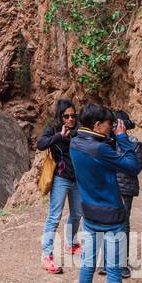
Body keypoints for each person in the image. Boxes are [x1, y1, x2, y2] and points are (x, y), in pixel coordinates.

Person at [69, 103, 142, 283]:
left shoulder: (75, 142)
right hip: (112, 216)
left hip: (89, 215)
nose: (112, 127)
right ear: (98, 125)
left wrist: (110, 138)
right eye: (109, 124)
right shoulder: (101, 149)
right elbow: (133, 167)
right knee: (113, 272)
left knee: (87, 267)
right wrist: (123, 139)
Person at [35, 99, 81, 273]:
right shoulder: (54, 130)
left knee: (77, 213)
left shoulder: (78, 129)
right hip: (61, 178)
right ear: (60, 117)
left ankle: (71, 244)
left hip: (77, 179)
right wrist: (59, 137)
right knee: (54, 216)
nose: (70, 119)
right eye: (66, 116)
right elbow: (40, 144)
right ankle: (46, 256)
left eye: (73, 116)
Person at [99, 109, 142, 279]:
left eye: (117, 125)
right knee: (107, 223)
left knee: (122, 225)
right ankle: (106, 262)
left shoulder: (133, 143)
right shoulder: (105, 141)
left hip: (124, 189)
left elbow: (135, 167)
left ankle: (121, 262)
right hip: (109, 187)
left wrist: (122, 140)